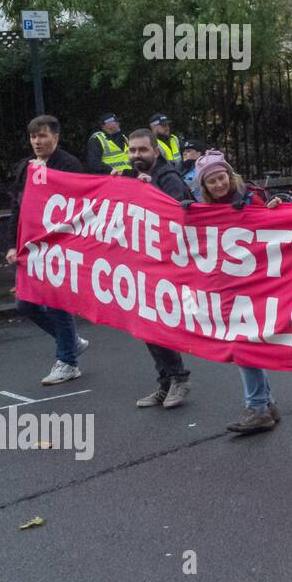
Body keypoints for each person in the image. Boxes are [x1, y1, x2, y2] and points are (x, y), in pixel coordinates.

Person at [195, 149, 284, 435]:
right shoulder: (203, 210)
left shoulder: (252, 198)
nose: (219, 185)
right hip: (230, 286)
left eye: (222, 178)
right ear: (205, 188)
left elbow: (274, 228)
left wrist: (272, 210)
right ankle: (265, 404)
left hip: (256, 284)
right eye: (212, 182)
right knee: (246, 343)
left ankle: (258, 407)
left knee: (242, 344)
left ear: (230, 176)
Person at [5, 115, 88, 386]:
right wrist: (12, 245)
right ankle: (72, 342)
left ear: (56, 137)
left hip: (60, 248)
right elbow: (19, 207)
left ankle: (67, 362)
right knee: (25, 303)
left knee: (56, 303)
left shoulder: (69, 165)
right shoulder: (27, 167)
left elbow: (78, 207)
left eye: (42, 136)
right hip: (31, 248)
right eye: (33, 137)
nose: (37, 141)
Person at [126, 129, 195, 410]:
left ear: (156, 150)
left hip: (169, 265)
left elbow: (177, 215)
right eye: (132, 150)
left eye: (142, 150)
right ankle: (166, 382)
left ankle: (179, 379)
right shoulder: (137, 177)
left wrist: (149, 191)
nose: (136, 156)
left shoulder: (167, 178)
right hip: (146, 262)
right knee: (146, 326)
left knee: (157, 325)